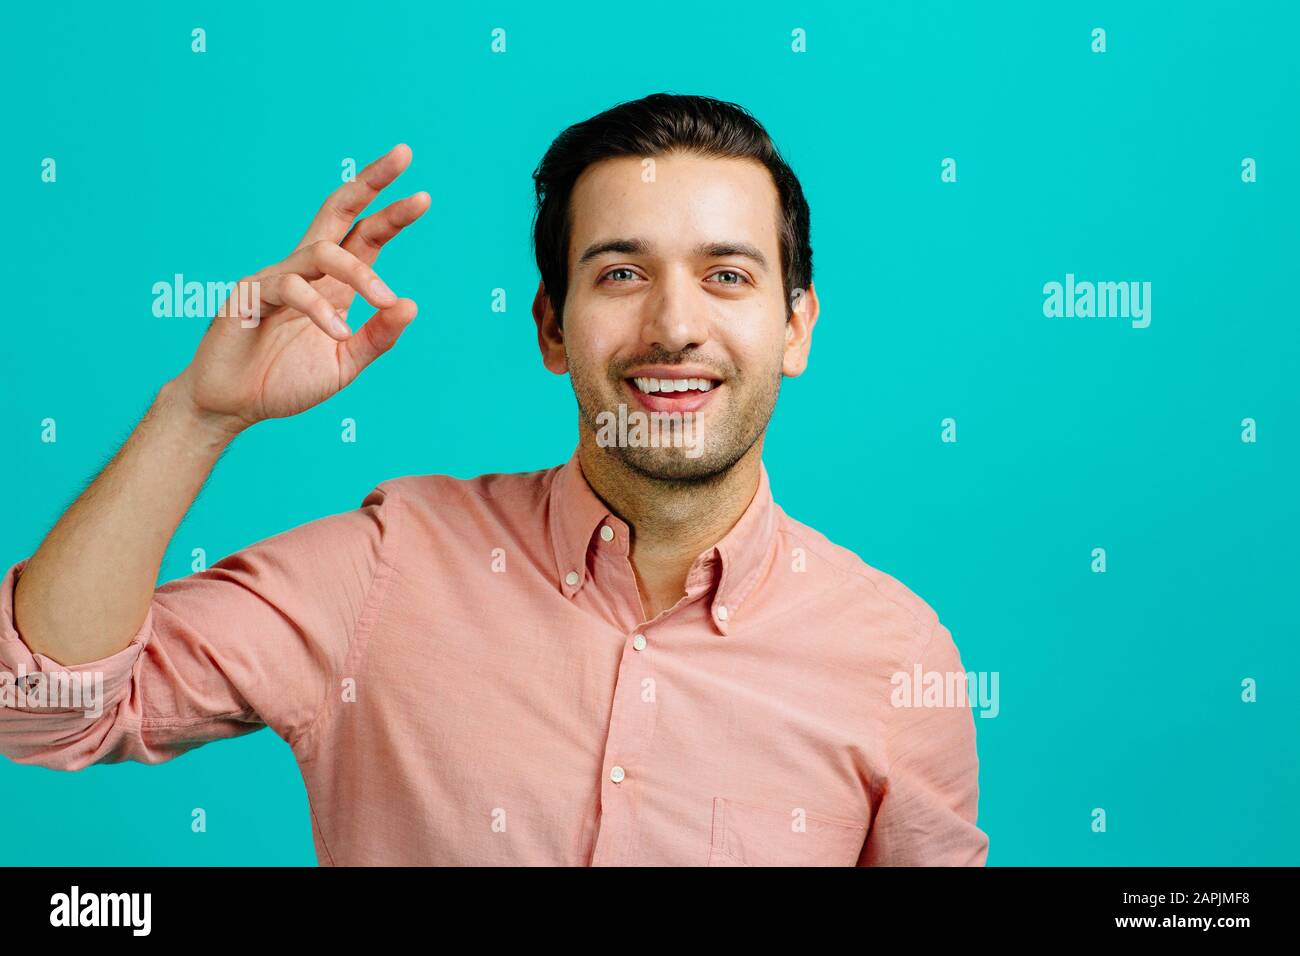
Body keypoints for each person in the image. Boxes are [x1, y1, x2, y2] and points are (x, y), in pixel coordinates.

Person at [0, 93, 988, 866]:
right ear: (552, 329)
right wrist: (198, 413)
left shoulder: (895, 655)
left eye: (726, 274)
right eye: (620, 273)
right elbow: (43, 708)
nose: (674, 325)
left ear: (796, 327)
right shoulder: (392, 562)